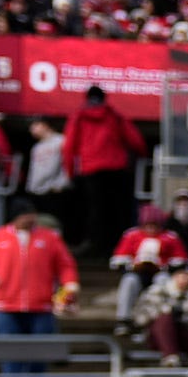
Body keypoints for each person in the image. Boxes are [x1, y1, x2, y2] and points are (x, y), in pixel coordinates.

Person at [0, 212, 76, 377]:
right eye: (24, 215)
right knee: (9, 350)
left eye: (32, 215)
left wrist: (70, 286)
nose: (29, 219)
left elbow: (65, 265)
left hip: (41, 305)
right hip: (5, 305)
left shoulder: (49, 238)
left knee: (39, 351)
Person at [66, 85, 142, 262]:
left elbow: (69, 146)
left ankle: (94, 245)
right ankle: (116, 246)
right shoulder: (114, 116)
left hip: (90, 169)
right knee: (116, 209)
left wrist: (70, 172)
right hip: (116, 168)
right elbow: (135, 140)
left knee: (95, 209)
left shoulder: (78, 117)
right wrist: (139, 158)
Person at [134, 264, 188, 365]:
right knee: (165, 318)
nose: (185, 279)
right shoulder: (157, 292)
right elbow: (141, 317)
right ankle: (170, 358)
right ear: (174, 277)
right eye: (182, 275)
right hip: (159, 335)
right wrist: (167, 313)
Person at [14, 117, 69, 238]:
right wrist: (30, 187)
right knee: (42, 222)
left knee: (55, 222)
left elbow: (68, 164)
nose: (31, 130)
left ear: (45, 125)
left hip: (54, 190)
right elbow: (34, 170)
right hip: (37, 192)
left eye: (34, 126)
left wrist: (61, 184)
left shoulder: (61, 141)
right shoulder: (37, 147)